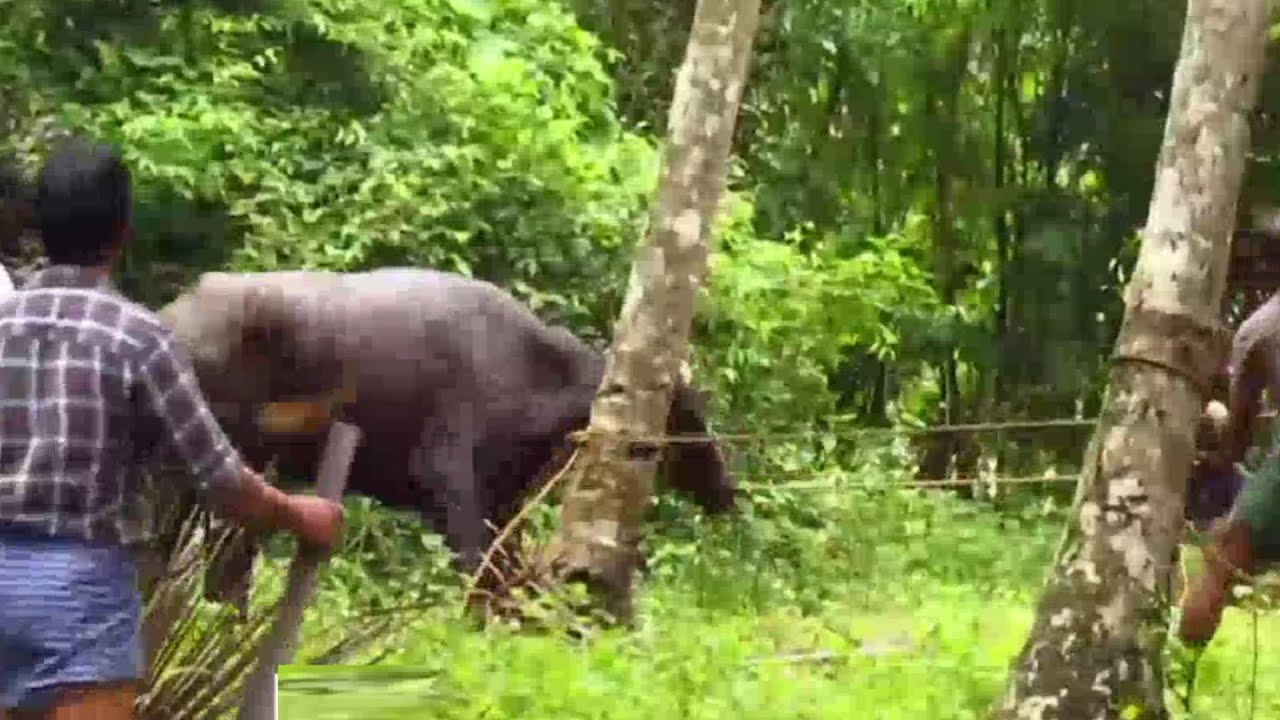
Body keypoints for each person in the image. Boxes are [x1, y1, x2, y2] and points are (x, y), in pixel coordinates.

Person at [0, 138, 346, 719]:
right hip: (82, 593)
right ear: (123, 233)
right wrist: (298, 513)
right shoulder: (138, 338)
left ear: (38, 228)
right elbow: (222, 482)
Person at [1178, 291, 1280, 646]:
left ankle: (1180, 668)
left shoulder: (1260, 328)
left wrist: (1216, 457)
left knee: (1220, 565)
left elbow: (1239, 436)